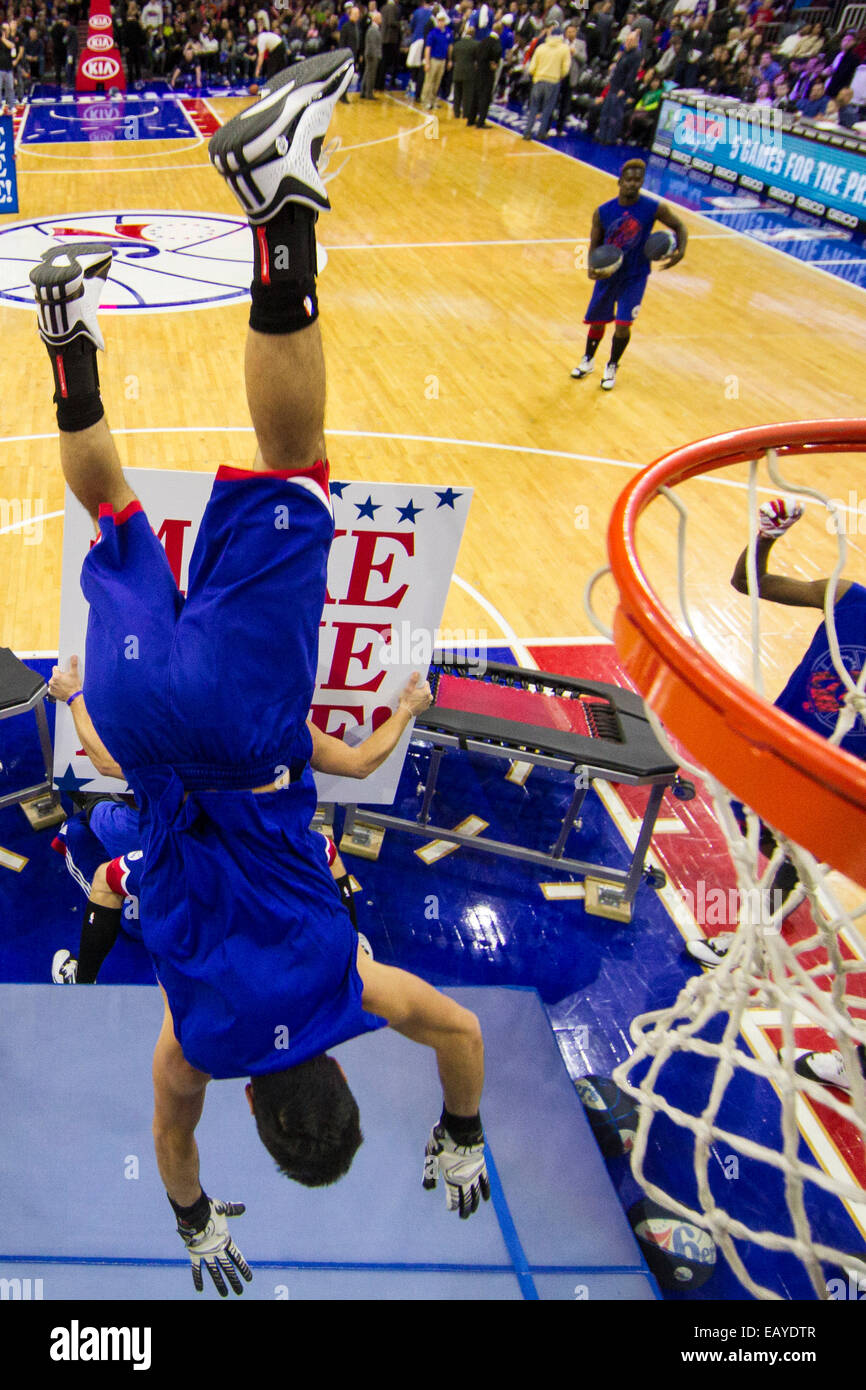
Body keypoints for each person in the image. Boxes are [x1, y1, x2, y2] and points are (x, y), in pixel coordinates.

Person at [30, 49, 488, 1295]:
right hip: (141, 723)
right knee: (116, 511)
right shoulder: (196, 1046)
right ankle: (66, 328)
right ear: (257, 1104)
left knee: (295, 461)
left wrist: (460, 1130)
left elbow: (459, 1034)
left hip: (243, 718)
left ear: (338, 1073)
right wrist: (194, 1226)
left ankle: (280, 201)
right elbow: (170, 1139)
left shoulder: (350, 984)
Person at [47, 664, 433, 983]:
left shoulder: (187, 744)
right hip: (274, 864)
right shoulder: (297, 733)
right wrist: (406, 709)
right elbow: (361, 763)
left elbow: (104, 762)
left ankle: (84, 981)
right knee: (328, 852)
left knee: (106, 877)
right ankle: (353, 954)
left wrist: (75, 697)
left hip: (202, 867)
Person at [687, 498, 866, 975]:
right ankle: (788, 889)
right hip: (780, 746)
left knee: (792, 853)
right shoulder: (848, 598)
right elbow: (749, 582)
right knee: (758, 832)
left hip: (837, 776)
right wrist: (766, 537)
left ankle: (750, 947)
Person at [570, 159, 686, 391]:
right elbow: (595, 243)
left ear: (642, 182)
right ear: (620, 181)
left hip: (635, 276)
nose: (633, 184)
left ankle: (612, 365)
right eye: (629, 179)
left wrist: (680, 251)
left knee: (623, 325)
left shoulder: (653, 208)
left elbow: (680, 226)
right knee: (597, 321)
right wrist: (593, 267)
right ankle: (588, 360)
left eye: (638, 180)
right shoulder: (603, 211)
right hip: (609, 274)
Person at [522, 21, 571, 140]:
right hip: (553, 81)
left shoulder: (541, 47)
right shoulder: (564, 49)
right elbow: (565, 69)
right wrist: (558, 76)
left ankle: (527, 132)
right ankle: (541, 133)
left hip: (538, 80)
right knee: (547, 109)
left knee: (533, 107)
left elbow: (532, 67)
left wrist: (535, 76)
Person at [595, 26, 640, 144]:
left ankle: (610, 138)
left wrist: (624, 89)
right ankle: (601, 135)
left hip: (620, 89)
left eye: (631, 40)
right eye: (627, 40)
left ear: (636, 42)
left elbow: (631, 75)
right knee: (606, 111)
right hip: (614, 85)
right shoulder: (625, 53)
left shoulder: (635, 56)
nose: (628, 42)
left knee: (614, 115)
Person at [421, 9, 451, 109]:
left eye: (442, 20)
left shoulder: (448, 32)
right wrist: (427, 62)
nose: (441, 22)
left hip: (442, 60)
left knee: (437, 82)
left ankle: (433, 100)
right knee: (429, 81)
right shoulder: (433, 33)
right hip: (433, 59)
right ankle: (425, 101)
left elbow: (450, 46)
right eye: (439, 20)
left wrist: (449, 59)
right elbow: (428, 48)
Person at [451, 22, 477, 118]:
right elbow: (477, 58)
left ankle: (456, 113)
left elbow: (453, 56)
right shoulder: (476, 44)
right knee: (467, 95)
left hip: (457, 71)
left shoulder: (457, 44)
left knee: (457, 93)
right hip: (469, 73)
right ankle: (466, 114)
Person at [362, 8, 383, 97]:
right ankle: (368, 93)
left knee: (368, 73)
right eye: (380, 18)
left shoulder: (374, 29)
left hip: (372, 54)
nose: (381, 19)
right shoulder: (373, 29)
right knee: (371, 75)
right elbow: (372, 44)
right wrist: (375, 56)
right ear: (376, 19)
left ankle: (364, 92)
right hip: (372, 55)